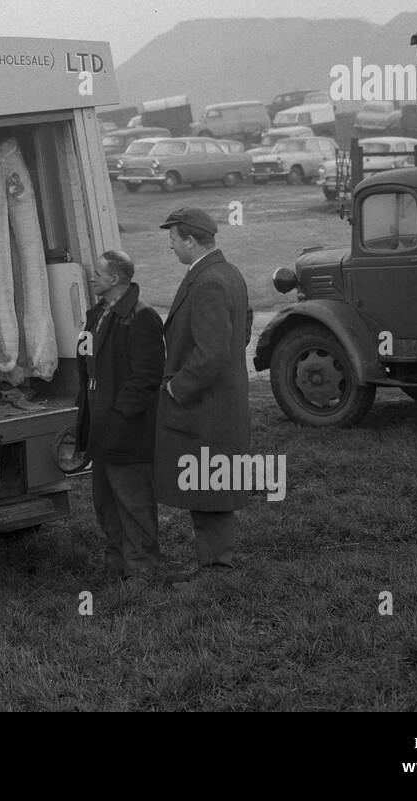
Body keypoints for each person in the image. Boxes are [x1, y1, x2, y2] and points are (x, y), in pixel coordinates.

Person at [154, 207, 253, 577]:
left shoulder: (208, 281)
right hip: (221, 402)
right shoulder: (228, 272)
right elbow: (241, 331)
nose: (171, 247)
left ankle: (215, 570)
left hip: (207, 407)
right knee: (211, 484)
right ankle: (214, 564)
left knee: (209, 487)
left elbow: (211, 353)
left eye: (174, 240)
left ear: (191, 241)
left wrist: (179, 387)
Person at [74, 250, 181, 589]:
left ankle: (143, 570)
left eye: (98, 274)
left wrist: (120, 417)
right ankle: (117, 561)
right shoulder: (98, 314)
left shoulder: (142, 317)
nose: (92, 277)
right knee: (105, 500)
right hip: (101, 427)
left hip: (127, 429)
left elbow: (146, 378)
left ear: (116, 279)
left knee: (133, 500)